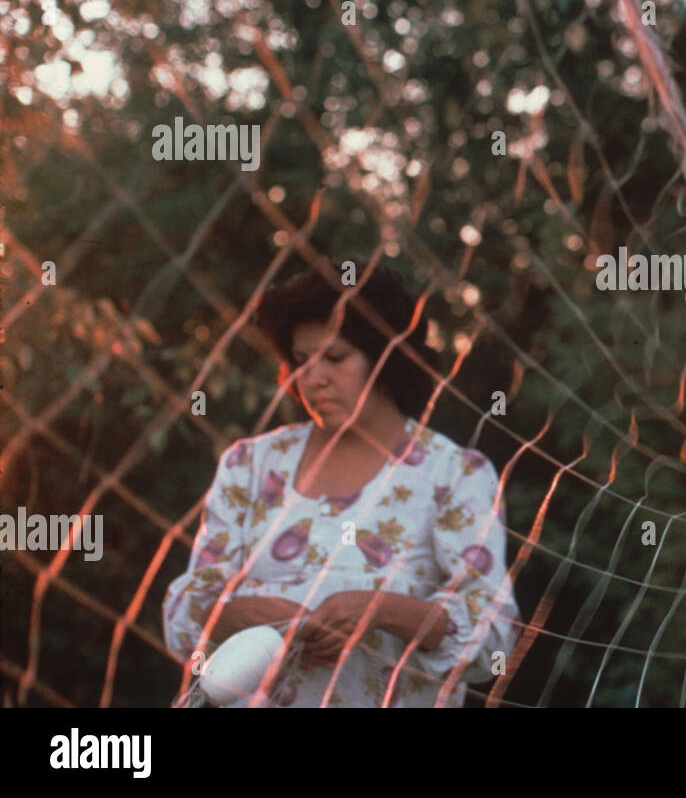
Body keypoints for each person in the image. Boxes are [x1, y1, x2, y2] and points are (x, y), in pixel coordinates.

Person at [163, 257, 519, 707]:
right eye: (300, 360)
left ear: (386, 357)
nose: (312, 378)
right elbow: (185, 611)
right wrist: (231, 615)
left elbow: (493, 644)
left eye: (335, 357)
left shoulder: (454, 475)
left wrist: (380, 610)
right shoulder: (249, 466)